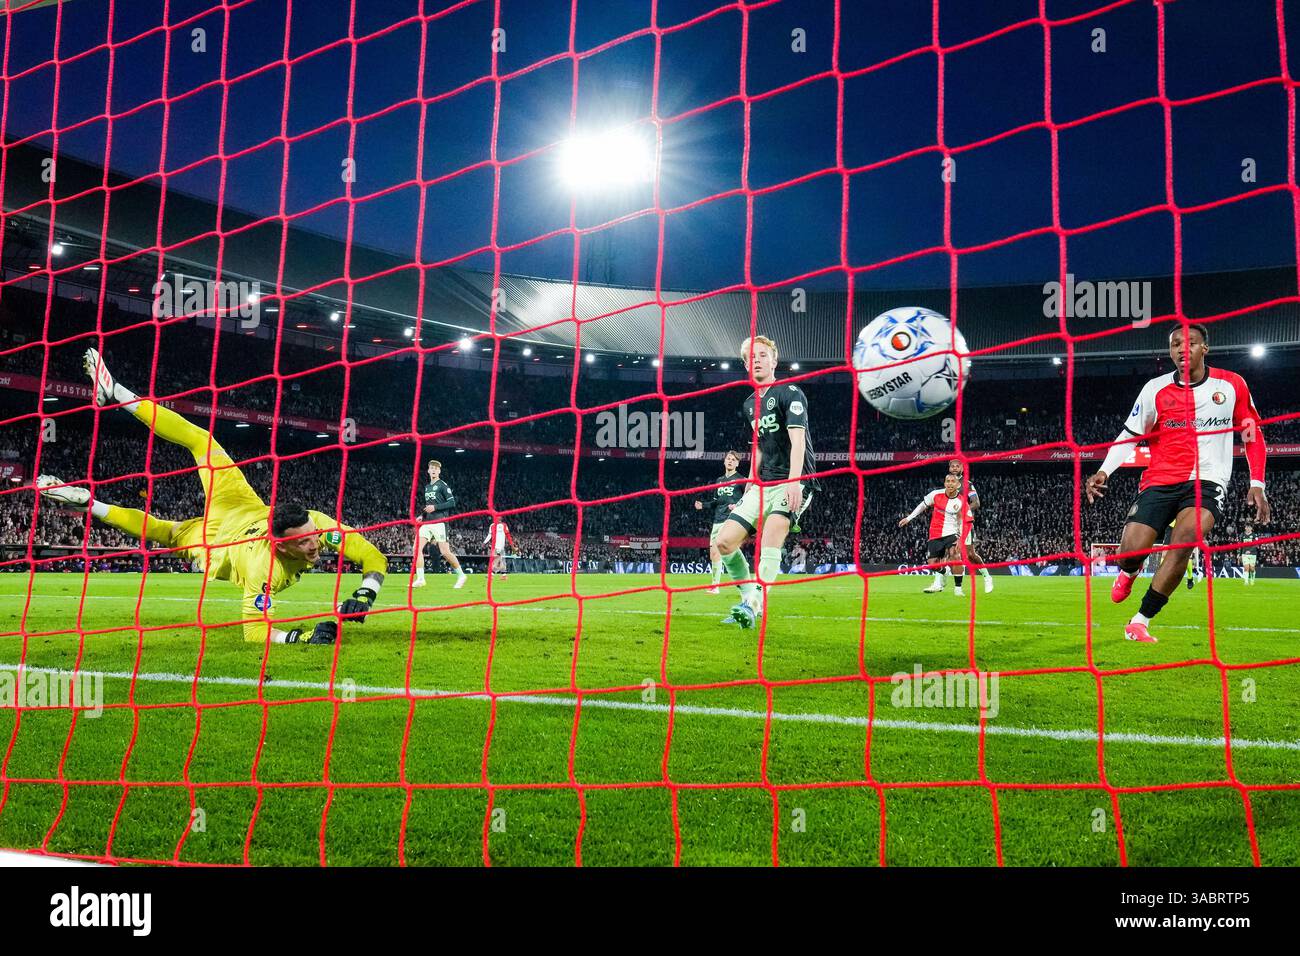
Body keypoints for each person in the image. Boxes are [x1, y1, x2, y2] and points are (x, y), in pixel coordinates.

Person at [37, 348, 386, 645]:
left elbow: (372, 555)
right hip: (216, 542)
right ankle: (113, 407)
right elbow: (254, 632)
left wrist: (366, 593)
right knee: (168, 529)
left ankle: (94, 482)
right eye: (305, 542)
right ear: (279, 544)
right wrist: (299, 638)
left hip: (241, 506)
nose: (315, 544)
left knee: (195, 457)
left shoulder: (319, 526)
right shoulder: (263, 567)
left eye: (313, 535)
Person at [1085, 324, 1270, 643]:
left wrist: (1257, 483)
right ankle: (1129, 571)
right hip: (1160, 479)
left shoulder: (1231, 385)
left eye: (1191, 343)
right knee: (1131, 552)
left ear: (1205, 349)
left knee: (1186, 539)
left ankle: (1140, 620)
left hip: (1209, 480)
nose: (1183, 349)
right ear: (1170, 351)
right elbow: (1130, 435)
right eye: (1175, 344)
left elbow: (1252, 435)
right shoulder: (1155, 389)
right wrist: (1105, 471)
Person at [713, 336, 818, 629]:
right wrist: (750, 478)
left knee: (771, 538)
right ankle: (749, 596)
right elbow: (759, 445)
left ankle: (753, 605)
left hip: (794, 480)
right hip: (762, 484)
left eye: (762, 355)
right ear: (746, 365)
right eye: (751, 357)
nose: (757, 360)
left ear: (774, 360)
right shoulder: (749, 404)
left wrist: (795, 482)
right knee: (723, 542)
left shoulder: (790, 392)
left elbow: (798, 441)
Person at [900, 473, 972, 595]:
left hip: (952, 533)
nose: (950, 483)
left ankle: (958, 589)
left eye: (952, 481)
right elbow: (923, 505)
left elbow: (968, 522)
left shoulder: (961, 501)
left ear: (957, 484)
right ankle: (945, 572)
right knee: (932, 564)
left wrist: (961, 539)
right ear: (944, 483)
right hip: (935, 533)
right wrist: (909, 518)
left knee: (955, 556)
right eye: (947, 481)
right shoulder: (935, 494)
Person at [693, 450, 745, 593]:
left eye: (733, 460)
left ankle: (742, 580)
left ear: (737, 463)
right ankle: (715, 586)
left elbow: (749, 497)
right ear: (724, 461)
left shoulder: (741, 480)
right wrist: (703, 505)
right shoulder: (719, 481)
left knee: (726, 549)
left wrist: (738, 505)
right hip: (718, 520)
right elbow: (716, 501)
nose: (730, 461)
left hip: (731, 520)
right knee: (714, 554)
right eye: (728, 458)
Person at [413, 459, 466, 589]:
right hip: (427, 522)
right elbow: (429, 506)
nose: (434, 470)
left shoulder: (442, 485)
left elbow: (452, 502)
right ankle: (420, 579)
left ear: (439, 471)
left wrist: (435, 508)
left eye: (436, 468)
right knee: (416, 549)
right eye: (431, 468)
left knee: (445, 552)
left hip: (440, 522)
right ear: (428, 470)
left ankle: (461, 575)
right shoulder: (427, 487)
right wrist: (422, 515)